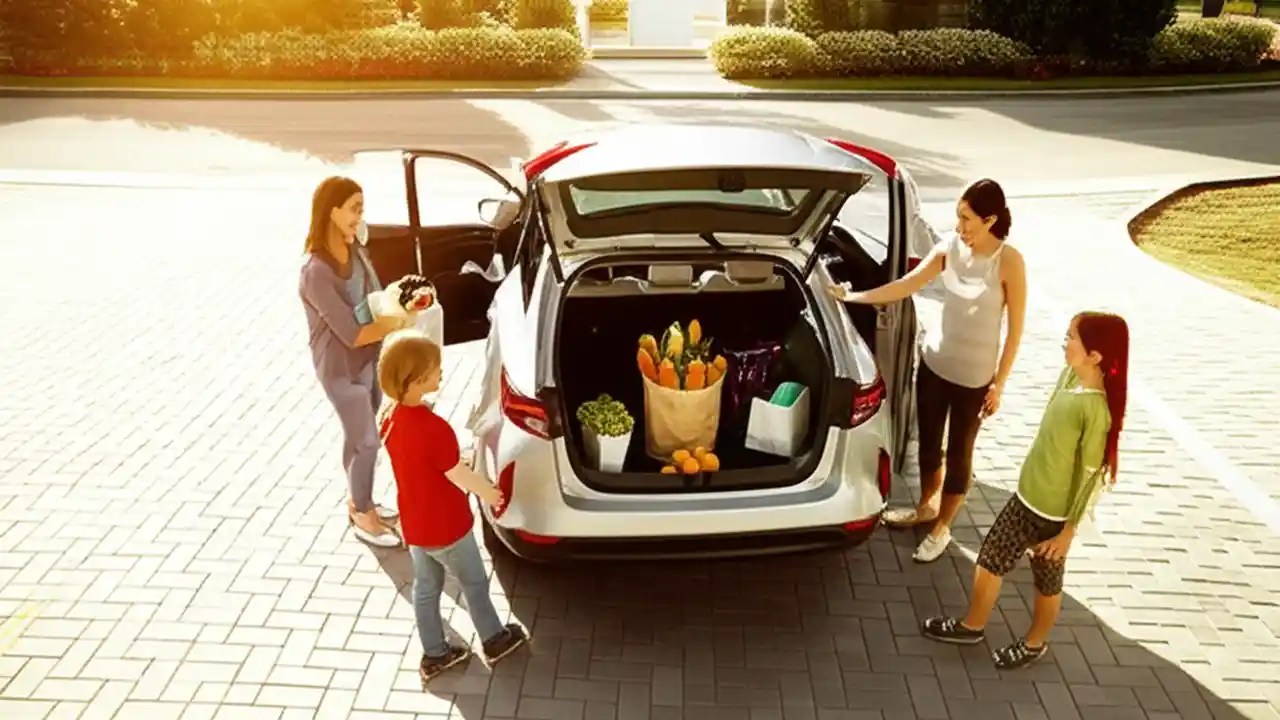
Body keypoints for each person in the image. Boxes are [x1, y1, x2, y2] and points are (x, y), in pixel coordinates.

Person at [827, 178, 1028, 563]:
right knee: (929, 446)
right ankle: (925, 508)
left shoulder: (1009, 262)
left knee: (959, 455)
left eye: (967, 219)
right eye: (958, 216)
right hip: (935, 365)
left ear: (990, 219)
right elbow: (904, 286)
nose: (960, 227)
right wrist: (852, 296)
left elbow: (1016, 329)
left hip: (974, 379)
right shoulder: (948, 249)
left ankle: (942, 528)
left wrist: (999, 385)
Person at [918, 311, 1129, 670]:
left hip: (1053, 516)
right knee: (990, 560)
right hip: (1025, 497)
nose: (1065, 342)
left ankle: (1034, 644)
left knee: (1046, 583)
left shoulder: (1095, 409)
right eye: (1067, 334)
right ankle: (973, 626)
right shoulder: (1069, 377)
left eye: (1073, 337)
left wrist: (1068, 533)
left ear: (1095, 356)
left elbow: (1091, 476)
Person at [376, 329, 530, 681]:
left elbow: (424, 464)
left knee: (426, 589)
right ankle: (494, 639)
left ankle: (435, 654)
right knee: (474, 582)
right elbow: (459, 476)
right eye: (434, 370)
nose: (440, 373)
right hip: (448, 525)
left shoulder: (389, 417)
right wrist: (492, 493)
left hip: (416, 525)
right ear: (414, 380)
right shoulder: (433, 428)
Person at [299, 176, 404, 548]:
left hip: (368, 358)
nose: (361, 215)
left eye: (362, 207)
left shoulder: (355, 248)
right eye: (355, 208)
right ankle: (363, 514)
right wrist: (400, 322)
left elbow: (373, 298)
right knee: (368, 442)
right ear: (333, 212)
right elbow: (350, 332)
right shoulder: (315, 273)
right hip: (340, 368)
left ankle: (360, 500)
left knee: (358, 433)